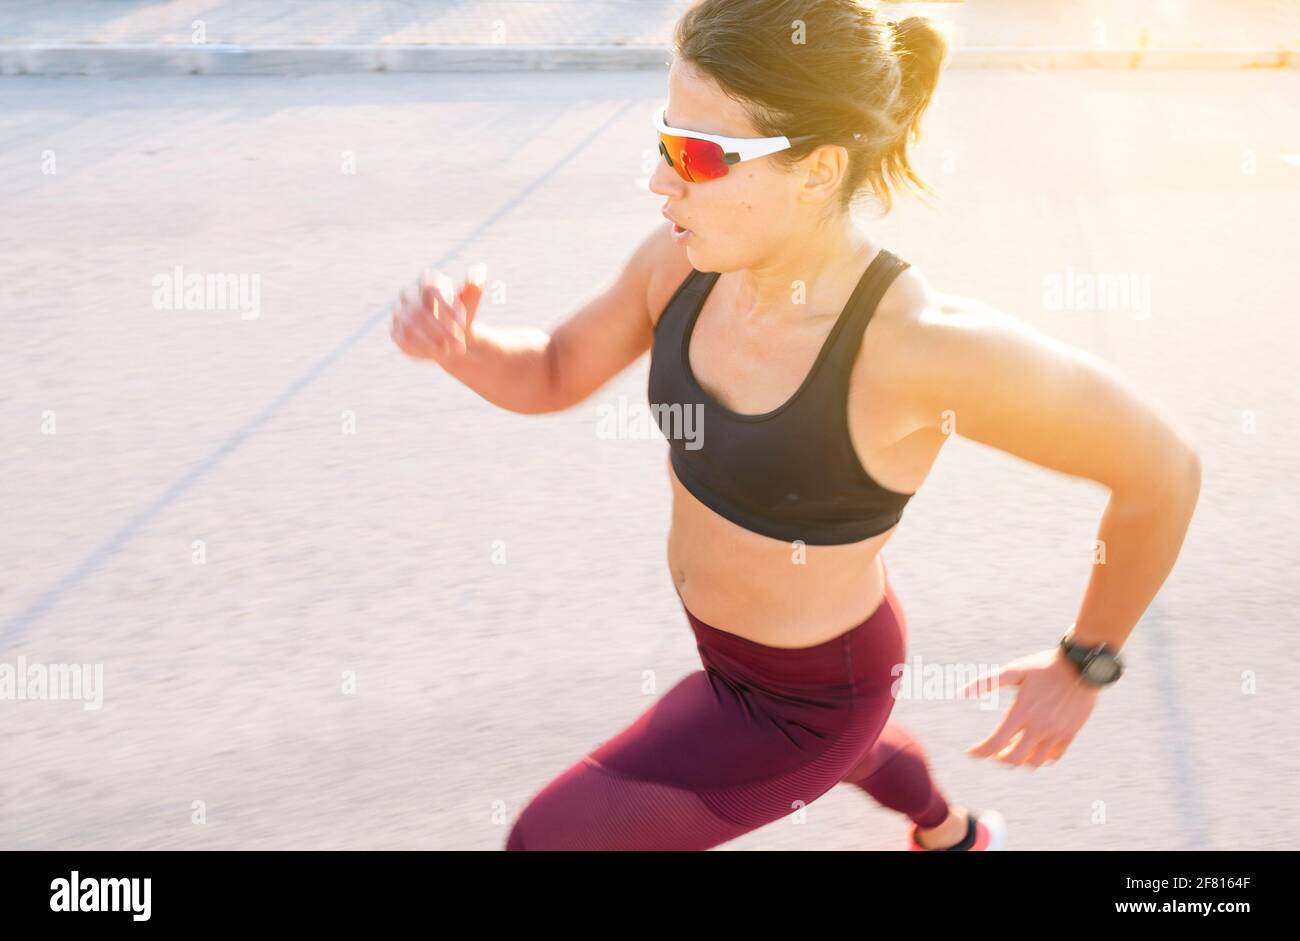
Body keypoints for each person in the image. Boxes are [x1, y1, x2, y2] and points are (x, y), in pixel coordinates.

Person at [389, 0, 1201, 851]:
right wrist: (462, 346)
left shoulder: (916, 350)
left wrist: (1085, 663)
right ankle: (953, 836)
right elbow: (554, 369)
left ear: (817, 173)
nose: (663, 181)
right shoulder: (683, 258)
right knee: (867, 754)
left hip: (808, 702)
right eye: (665, 141)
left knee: (551, 842)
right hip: (748, 650)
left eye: (700, 155)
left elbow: (1163, 469)